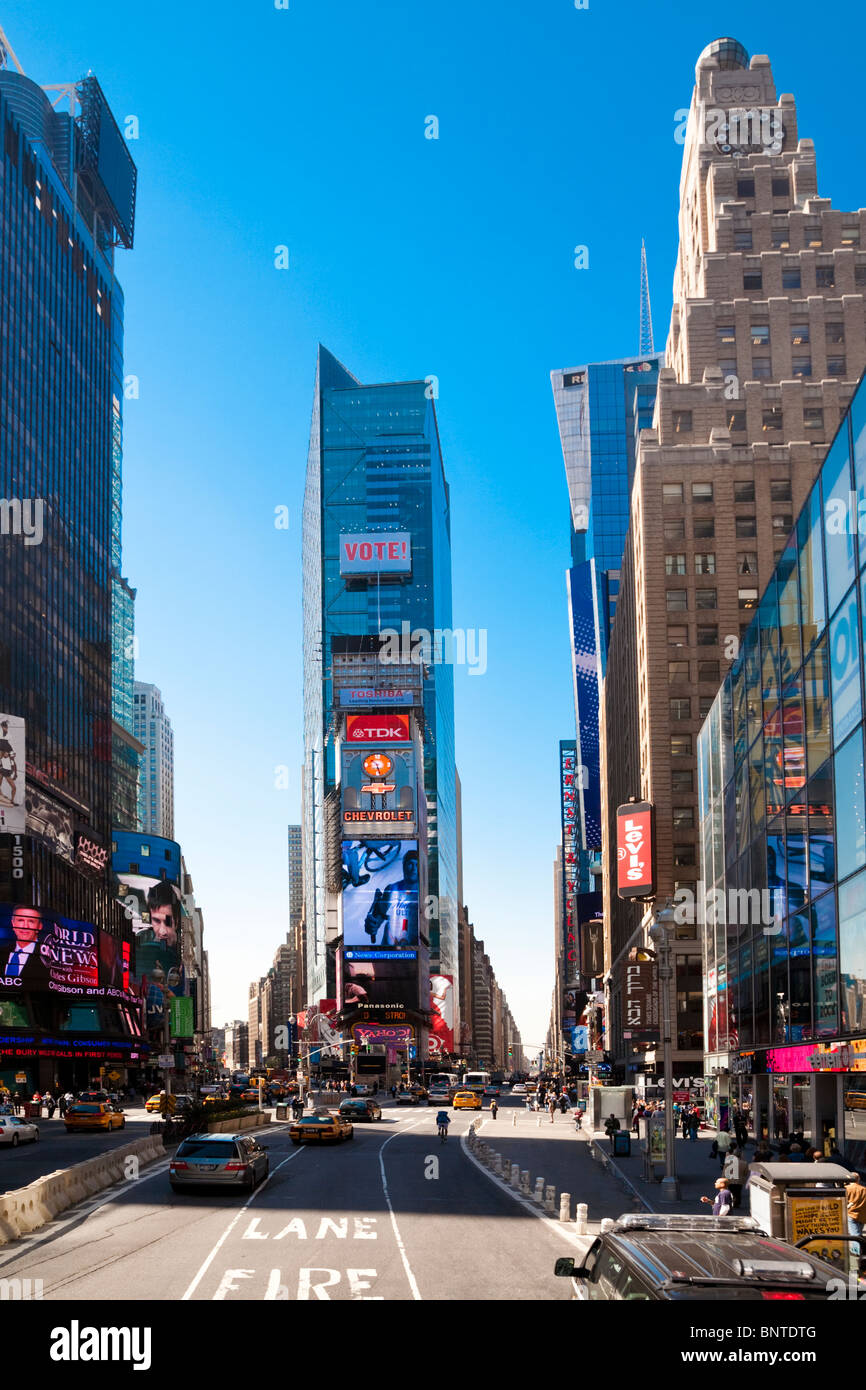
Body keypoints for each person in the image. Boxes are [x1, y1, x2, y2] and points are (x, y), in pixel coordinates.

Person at [845, 1174, 866, 1262]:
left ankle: (856, 1256)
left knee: (855, 1236)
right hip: (862, 1215)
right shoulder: (864, 1189)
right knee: (859, 1235)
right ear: (858, 1179)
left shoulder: (846, 1189)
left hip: (851, 1214)